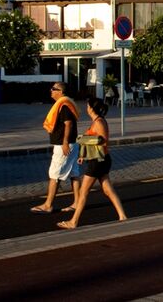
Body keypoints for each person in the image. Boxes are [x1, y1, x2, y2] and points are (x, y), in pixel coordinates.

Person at [57, 97, 127, 229]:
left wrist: (85, 140)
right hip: (101, 159)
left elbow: (103, 141)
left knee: (83, 192)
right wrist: (83, 154)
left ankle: (74, 222)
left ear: (91, 108)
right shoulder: (96, 121)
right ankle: (122, 216)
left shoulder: (99, 122)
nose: (86, 108)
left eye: (88, 106)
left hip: (98, 161)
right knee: (107, 189)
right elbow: (95, 141)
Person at [30, 82, 81, 214]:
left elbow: (68, 124)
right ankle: (77, 202)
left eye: (54, 89)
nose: (51, 91)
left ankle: (48, 205)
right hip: (71, 144)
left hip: (64, 145)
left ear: (61, 91)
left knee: (55, 174)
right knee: (73, 174)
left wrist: (64, 142)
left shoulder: (63, 105)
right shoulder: (66, 103)